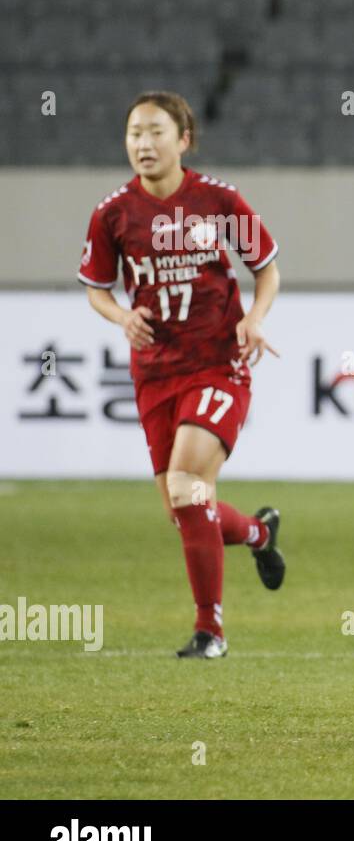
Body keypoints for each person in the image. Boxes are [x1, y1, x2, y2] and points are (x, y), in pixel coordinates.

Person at [78, 91, 286, 659]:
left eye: (155, 133)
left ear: (184, 140)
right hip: (154, 375)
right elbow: (96, 287)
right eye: (134, 134)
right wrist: (123, 315)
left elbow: (266, 271)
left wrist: (254, 317)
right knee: (184, 508)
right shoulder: (113, 213)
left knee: (188, 488)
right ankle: (258, 533)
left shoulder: (218, 200)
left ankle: (210, 631)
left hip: (218, 364)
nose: (143, 144)